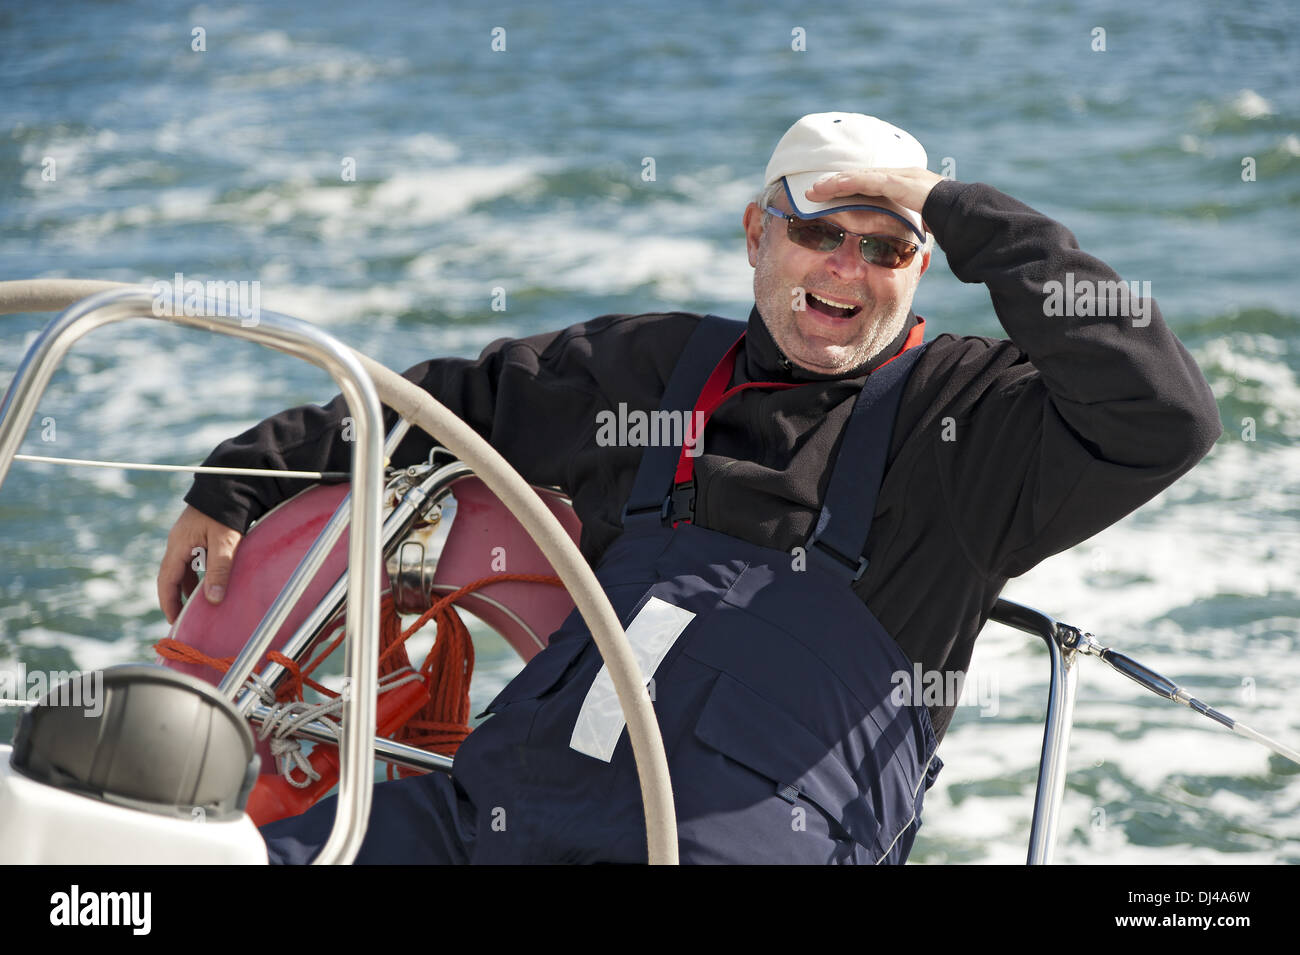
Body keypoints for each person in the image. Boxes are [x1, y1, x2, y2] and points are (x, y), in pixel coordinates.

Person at [156, 112, 1222, 864]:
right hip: (493, 814)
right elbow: (450, 401)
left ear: (920, 266)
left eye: (885, 245)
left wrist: (955, 205)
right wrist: (245, 475)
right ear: (757, 232)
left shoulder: (975, 422)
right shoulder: (648, 369)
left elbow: (1165, 413)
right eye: (818, 231)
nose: (848, 267)